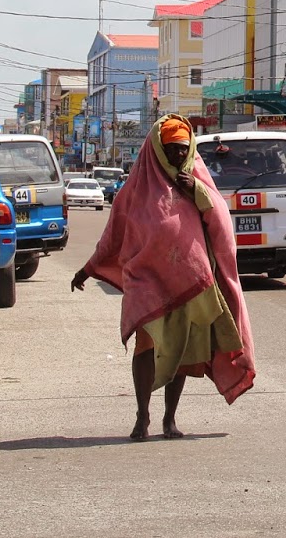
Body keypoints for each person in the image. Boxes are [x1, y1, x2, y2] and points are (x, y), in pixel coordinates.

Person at [71, 114, 256, 440]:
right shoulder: (135, 188)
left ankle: (169, 419)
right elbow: (113, 235)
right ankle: (142, 415)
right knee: (145, 345)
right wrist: (88, 269)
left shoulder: (196, 178)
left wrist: (197, 191)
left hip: (188, 279)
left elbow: (221, 222)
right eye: (171, 149)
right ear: (157, 148)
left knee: (180, 348)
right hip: (145, 281)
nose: (178, 155)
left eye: (183, 148)